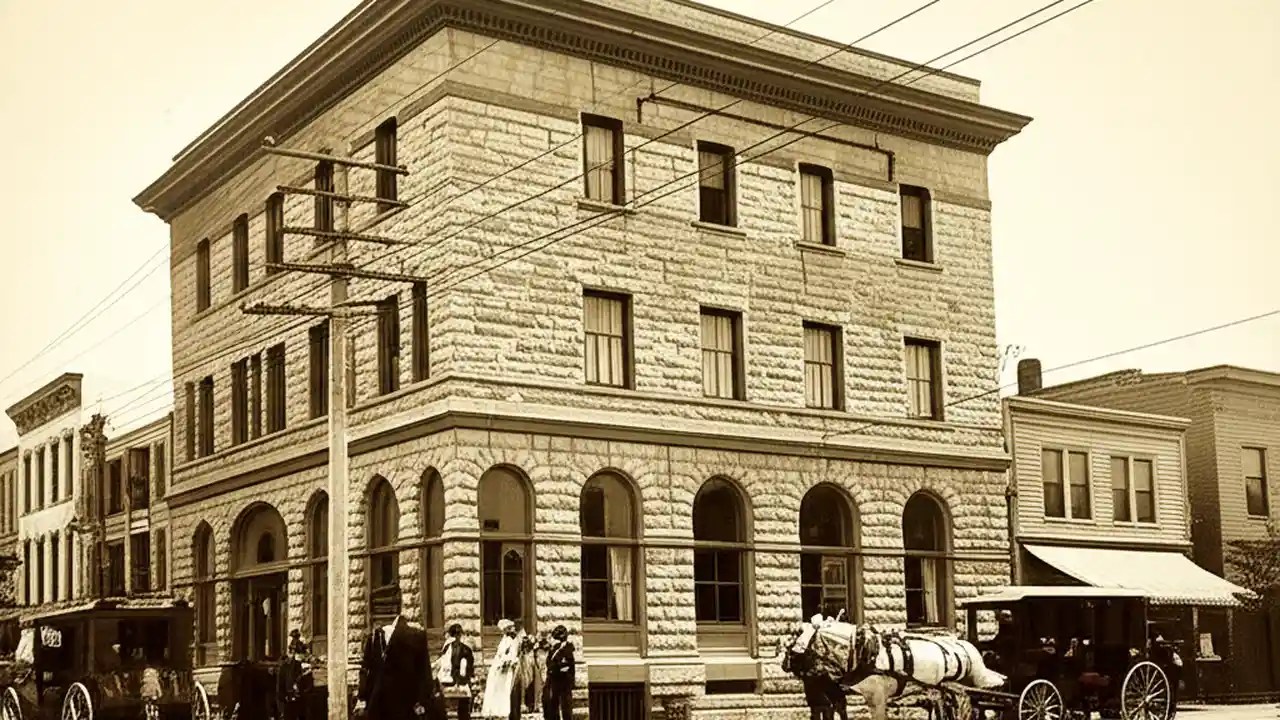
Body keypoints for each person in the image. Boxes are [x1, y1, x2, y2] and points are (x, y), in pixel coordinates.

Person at [355, 613, 432, 720]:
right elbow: (425, 675)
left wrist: (362, 697)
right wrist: (422, 702)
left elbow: (365, 670)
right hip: (406, 705)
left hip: (378, 705)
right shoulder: (417, 636)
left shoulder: (373, 637)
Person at [481, 619, 523, 719]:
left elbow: (513, 654)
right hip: (501, 669)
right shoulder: (505, 641)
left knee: (508, 690)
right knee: (498, 690)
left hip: (509, 669)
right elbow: (502, 654)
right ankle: (497, 711)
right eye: (510, 628)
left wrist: (511, 660)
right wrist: (503, 662)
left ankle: (507, 712)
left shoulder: (514, 640)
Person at [439, 623, 476, 720]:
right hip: (462, 682)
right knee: (463, 710)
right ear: (460, 635)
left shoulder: (446, 648)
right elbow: (470, 667)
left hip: (448, 682)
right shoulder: (466, 649)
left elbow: (442, 664)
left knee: (446, 708)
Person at [541, 626, 575, 720]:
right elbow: (549, 662)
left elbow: (567, 666)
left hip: (563, 680)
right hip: (553, 680)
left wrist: (556, 669)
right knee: (550, 703)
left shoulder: (568, 648)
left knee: (566, 706)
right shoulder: (555, 648)